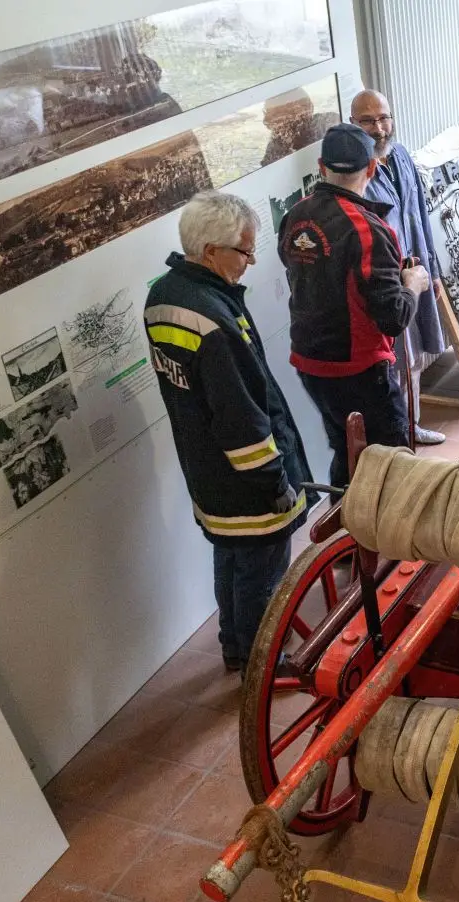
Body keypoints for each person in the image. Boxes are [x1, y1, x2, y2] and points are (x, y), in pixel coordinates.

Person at [145, 191, 312, 673]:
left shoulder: (165, 296)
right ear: (211, 251)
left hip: (206, 471)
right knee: (263, 573)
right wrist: (274, 481)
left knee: (232, 560)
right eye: (244, 251)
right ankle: (264, 661)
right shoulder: (214, 319)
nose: (250, 261)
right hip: (247, 482)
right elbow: (241, 416)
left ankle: (236, 647)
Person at [278, 122, 431, 486]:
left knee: (347, 455)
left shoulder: (295, 216)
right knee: (392, 464)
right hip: (360, 371)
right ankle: (384, 539)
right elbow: (393, 319)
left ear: (321, 167)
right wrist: (412, 285)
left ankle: (346, 531)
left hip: (310, 363)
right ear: (373, 168)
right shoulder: (368, 228)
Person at [351, 88, 448, 446]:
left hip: (417, 271)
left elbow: (420, 215)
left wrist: (433, 272)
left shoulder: (401, 156)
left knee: (418, 354)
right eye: (368, 120)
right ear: (353, 124)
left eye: (383, 117)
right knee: (396, 359)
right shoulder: (358, 172)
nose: (379, 128)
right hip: (390, 283)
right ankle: (399, 435)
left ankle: (412, 424)